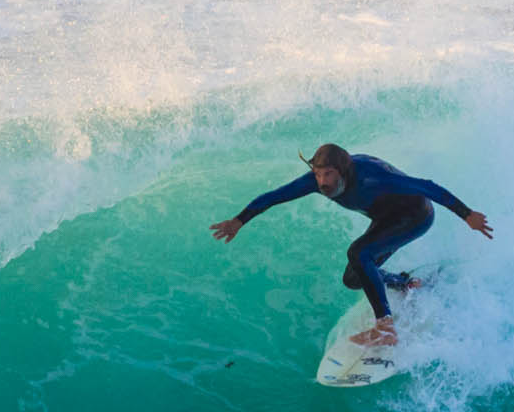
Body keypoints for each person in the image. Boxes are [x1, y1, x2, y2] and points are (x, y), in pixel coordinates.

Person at [210, 143, 491, 346]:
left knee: (359, 252)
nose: (322, 183)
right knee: (354, 277)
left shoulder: (372, 175)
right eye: (318, 174)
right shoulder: (317, 181)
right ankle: (406, 284)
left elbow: (427, 186)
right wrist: (239, 220)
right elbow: (275, 196)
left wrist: (467, 215)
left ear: (343, 170)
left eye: (328, 174)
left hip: (416, 215)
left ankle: (385, 328)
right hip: (386, 218)